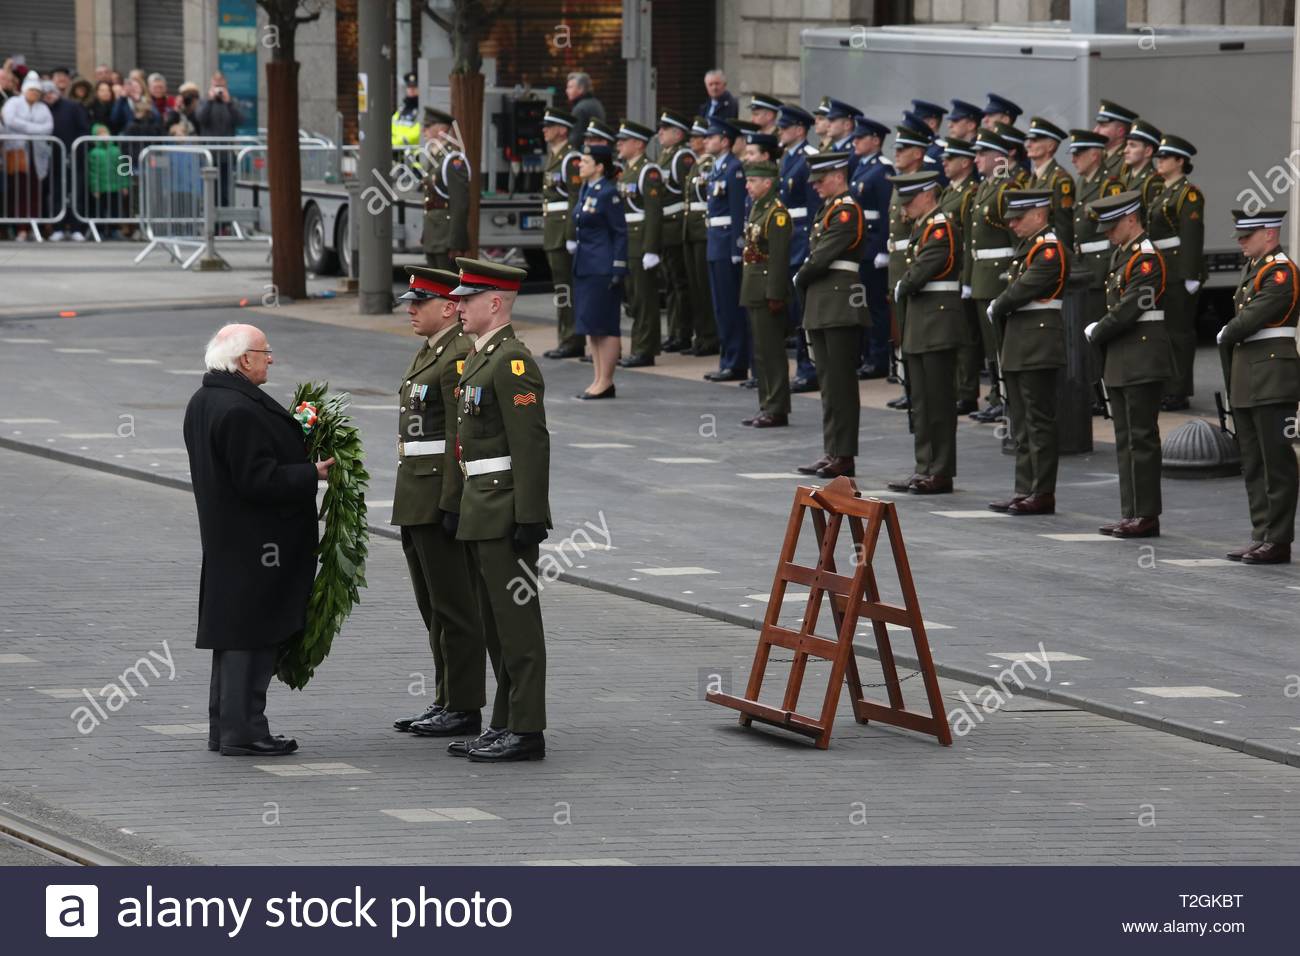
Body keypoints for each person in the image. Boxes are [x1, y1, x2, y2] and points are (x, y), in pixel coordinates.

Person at [182, 324, 333, 757]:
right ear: (244, 358)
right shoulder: (239, 409)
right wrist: (312, 473)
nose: (271, 359)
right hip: (258, 542)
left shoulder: (205, 399)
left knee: (234, 635)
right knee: (253, 634)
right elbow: (257, 480)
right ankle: (245, 730)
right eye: (265, 352)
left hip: (230, 538)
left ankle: (228, 727)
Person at [449, 257, 551, 763]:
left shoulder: (512, 362)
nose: (457, 306)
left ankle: (527, 729)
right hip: (480, 506)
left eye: (467, 300)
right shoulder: (478, 358)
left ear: (495, 303)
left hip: (504, 508)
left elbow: (530, 444)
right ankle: (504, 722)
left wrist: (531, 515)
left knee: (517, 626)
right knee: (494, 624)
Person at [390, 267, 486, 736]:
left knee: (455, 607)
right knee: (433, 606)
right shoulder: (431, 353)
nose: (410, 309)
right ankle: (446, 697)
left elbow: (458, 437)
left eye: (419, 302)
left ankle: (464, 705)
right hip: (415, 495)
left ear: (448, 307)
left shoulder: (458, 357)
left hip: (436, 499)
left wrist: (453, 502)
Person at [1084, 190, 1171, 539]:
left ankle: (1146, 514)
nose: (1107, 232)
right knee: (1125, 439)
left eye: (1112, 225)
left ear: (1131, 219)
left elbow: (1131, 307)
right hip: (1123, 357)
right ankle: (1131, 511)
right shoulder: (1123, 255)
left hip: (1142, 356)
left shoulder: (1146, 258)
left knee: (1141, 438)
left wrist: (1097, 331)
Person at [1216, 208, 1299, 565]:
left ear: (1269, 234)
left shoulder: (1281, 272)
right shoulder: (1255, 268)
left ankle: (1278, 539)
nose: (1240, 241)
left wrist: (1226, 332)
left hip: (1272, 374)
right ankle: (1261, 533)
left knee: (1276, 460)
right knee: (1252, 461)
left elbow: (1252, 317)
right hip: (1250, 374)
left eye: (1247, 235)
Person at [986, 189, 1069, 516]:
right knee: (1020, 420)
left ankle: (1042, 491)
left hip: (1038, 343)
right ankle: (1024, 488)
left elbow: (1023, 289)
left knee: (1039, 422)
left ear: (1039, 214)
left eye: (1019, 218)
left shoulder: (1049, 250)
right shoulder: (1030, 247)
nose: (1013, 224)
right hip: (1020, 342)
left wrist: (999, 303)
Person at [887, 170, 964, 496]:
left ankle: (940, 470)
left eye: (910, 199)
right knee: (921, 401)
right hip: (921, 322)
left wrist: (903, 284)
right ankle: (924, 466)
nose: (905, 208)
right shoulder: (923, 227)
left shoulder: (941, 227)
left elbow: (918, 274)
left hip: (937, 322)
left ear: (928, 195)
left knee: (938, 401)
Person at [793, 151, 867, 479]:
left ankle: (844, 454)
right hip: (823, 301)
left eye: (821, 180)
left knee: (840, 384)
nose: (816, 187)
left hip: (838, 301)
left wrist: (800, 275)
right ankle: (832, 450)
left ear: (838, 176)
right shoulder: (830, 208)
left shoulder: (847, 210)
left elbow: (823, 257)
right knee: (828, 383)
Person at [1068, 129, 1125, 412]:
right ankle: (1093, 392)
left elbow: (1113, 229)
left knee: (1099, 331)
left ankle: (1102, 393)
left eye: (1079, 153)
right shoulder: (1082, 182)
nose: (1074, 159)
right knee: (1087, 331)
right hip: (1084, 266)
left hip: (1101, 266)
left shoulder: (1109, 185)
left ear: (1094, 154)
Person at [964, 129, 1017, 424]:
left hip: (997, 276)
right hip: (982, 278)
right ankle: (996, 395)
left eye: (982, 154)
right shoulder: (985, 188)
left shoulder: (1004, 189)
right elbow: (973, 241)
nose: (977, 159)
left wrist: (1012, 277)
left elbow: (1015, 238)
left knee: (1000, 344)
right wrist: (968, 281)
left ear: (999, 157)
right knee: (989, 345)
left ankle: (1004, 397)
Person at [1149, 134, 1205, 412]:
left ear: (1180, 161)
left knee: (1179, 333)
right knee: (1165, 332)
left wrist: (1190, 273)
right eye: (1158, 156)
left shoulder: (1187, 193)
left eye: (1164, 157)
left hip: (1177, 269)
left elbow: (1191, 234)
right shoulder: (1164, 190)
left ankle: (1179, 390)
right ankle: (1168, 386)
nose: (1159, 161)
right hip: (1163, 268)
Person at [570, 143, 627, 400]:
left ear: (600, 167)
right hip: (586, 264)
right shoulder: (587, 188)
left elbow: (619, 233)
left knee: (606, 325)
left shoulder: (608, 193)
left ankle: (606, 380)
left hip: (602, 265)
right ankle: (598, 378)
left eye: (585, 160)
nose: (580, 164)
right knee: (592, 326)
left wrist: (618, 265)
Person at [885, 122, 934, 413]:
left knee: (914, 331)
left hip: (913, 264)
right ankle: (907, 385)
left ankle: (918, 387)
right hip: (896, 265)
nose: (898, 154)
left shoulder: (924, 183)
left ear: (918, 153)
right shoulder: (901, 182)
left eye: (903, 149)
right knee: (900, 331)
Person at [740, 160, 792, 428]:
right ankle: (766, 404)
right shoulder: (758, 208)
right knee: (760, 351)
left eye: (753, 181)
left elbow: (779, 258)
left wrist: (775, 294)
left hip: (766, 290)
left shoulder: (777, 213)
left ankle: (777, 406)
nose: (748, 186)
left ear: (768, 183)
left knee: (771, 351)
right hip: (753, 287)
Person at [776, 103, 821, 392]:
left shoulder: (809, 158)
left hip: (802, 241)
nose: (780, 131)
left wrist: (810, 247)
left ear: (800, 130)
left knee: (805, 310)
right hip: (788, 240)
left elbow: (814, 209)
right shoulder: (788, 158)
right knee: (795, 311)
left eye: (785, 127)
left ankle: (809, 368)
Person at [702, 117, 750, 383]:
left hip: (726, 244)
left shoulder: (734, 169)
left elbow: (736, 211)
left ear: (724, 141)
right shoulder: (717, 168)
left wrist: (736, 248)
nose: (706, 140)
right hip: (714, 243)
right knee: (721, 306)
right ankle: (727, 358)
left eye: (711, 137)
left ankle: (736, 361)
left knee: (731, 307)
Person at [615, 119, 664, 368]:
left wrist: (651, 249)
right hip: (628, 242)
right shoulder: (628, 169)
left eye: (624, 141)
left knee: (644, 300)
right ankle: (638, 345)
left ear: (638, 144)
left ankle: (645, 349)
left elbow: (654, 213)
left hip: (641, 243)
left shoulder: (648, 171)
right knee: (634, 299)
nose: (619, 145)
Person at [848, 115, 893, 380]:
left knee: (875, 305)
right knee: (861, 304)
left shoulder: (882, 169)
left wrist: (884, 249)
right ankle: (867, 355)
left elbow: (887, 214)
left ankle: (878, 358)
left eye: (860, 137)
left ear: (875, 140)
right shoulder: (860, 167)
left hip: (873, 246)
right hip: (860, 246)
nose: (855, 141)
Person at [538, 106, 585, 360]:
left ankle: (572, 338)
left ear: (562, 130)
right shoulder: (555, 156)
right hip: (553, 230)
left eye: (549, 125)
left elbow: (574, 199)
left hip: (562, 231)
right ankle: (566, 336)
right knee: (561, 288)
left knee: (566, 288)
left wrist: (571, 235)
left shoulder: (570, 159)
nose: (544, 130)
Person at [940, 136, 982, 415]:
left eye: (950, 159)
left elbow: (970, 241)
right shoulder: (948, 193)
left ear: (965, 163)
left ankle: (967, 392)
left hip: (961, 270)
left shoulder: (969, 193)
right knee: (953, 333)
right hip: (946, 270)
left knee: (967, 337)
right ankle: (955, 388)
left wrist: (967, 279)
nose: (944, 163)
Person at [656, 109, 697, 353]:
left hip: (676, 226)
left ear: (678, 133)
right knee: (671, 284)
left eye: (665, 129)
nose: (660, 133)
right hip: (665, 226)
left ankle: (682, 332)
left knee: (680, 284)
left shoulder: (683, 158)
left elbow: (687, 195)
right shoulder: (665, 155)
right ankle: (673, 331)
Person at [681, 116, 720, 357]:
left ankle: (710, 336)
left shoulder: (709, 165)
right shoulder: (698, 164)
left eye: (700, 137)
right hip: (691, 230)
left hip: (703, 230)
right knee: (695, 287)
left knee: (704, 288)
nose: (695, 141)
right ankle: (703, 334)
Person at [2, 72, 53, 242]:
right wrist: (33, 128)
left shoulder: (42, 108)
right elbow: (9, 120)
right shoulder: (13, 102)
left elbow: (48, 127)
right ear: (24, 90)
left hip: (37, 156)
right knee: (17, 190)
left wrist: (25, 128)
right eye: (31, 91)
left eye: (37, 92)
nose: (34, 94)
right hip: (17, 153)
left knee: (35, 192)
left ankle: (33, 226)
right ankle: (19, 228)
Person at [418, 107, 470, 270]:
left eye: (427, 126)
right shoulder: (436, 159)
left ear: (441, 129)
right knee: (435, 290)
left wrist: (456, 243)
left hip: (446, 237)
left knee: (447, 290)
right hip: (433, 235)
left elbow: (460, 203)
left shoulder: (453, 160)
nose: (423, 130)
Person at [43, 79, 89, 241]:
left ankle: (77, 228)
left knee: (76, 192)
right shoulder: (43, 109)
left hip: (74, 158)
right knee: (56, 193)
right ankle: (58, 227)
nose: (48, 96)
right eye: (45, 93)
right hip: (53, 159)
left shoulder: (73, 107)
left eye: (50, 92)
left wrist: (78, 152)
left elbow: (84, 130)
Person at [1024, 117, 1074, 249]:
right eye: (1029, 140)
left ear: (1050, 146)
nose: (1028, 145)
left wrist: (1063, 260)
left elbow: (1064, 225)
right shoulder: (1033, 179)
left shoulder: (1059, 180)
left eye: (1034, 141)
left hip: (1050, 250)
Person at [1121, 118, 1164, 217]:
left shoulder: (1153, 182)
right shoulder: (1124, 178)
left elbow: (1153, 221)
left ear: (1148, 151)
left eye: (1132, 145)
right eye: (1126, 145)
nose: (1125, 150)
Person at [1093, 99, 1138, 181]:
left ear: (1120, 132)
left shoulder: (1127, 160)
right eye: (1097, 125)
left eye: (1102, 126)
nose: (1095, 130)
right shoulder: (1097, 157)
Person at [565, 72, 605, 149]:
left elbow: (575, 139)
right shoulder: (596, 103)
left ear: (581, 89)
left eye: (570, 87)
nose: (566, 91)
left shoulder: (580, 108)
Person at [391, 71, 421, 149]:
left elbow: (417, 133)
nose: (411, 89)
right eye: (409, 87)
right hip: (397, 152)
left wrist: (396, 143)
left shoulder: (421, 108)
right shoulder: (402, 108)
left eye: (414, 87)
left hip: (413, 155)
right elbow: (392, 125)